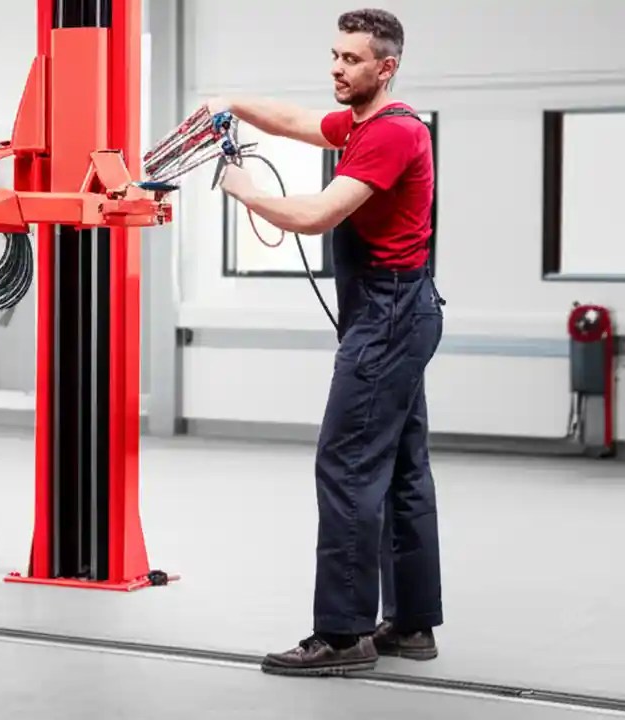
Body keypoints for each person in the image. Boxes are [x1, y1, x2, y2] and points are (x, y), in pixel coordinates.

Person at [206, 8, 445, 676]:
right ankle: (412, 625)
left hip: (388, 315)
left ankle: (341, 637)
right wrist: (230, 104)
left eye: (352, 59)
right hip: (401, 307)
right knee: (400, 467)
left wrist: (245, 190)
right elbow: (297, 121)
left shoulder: (390, 135)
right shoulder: (363, 124)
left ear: (386, 67)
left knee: (346, 466)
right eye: (335, 56)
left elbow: (314, 216)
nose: (337, 68)